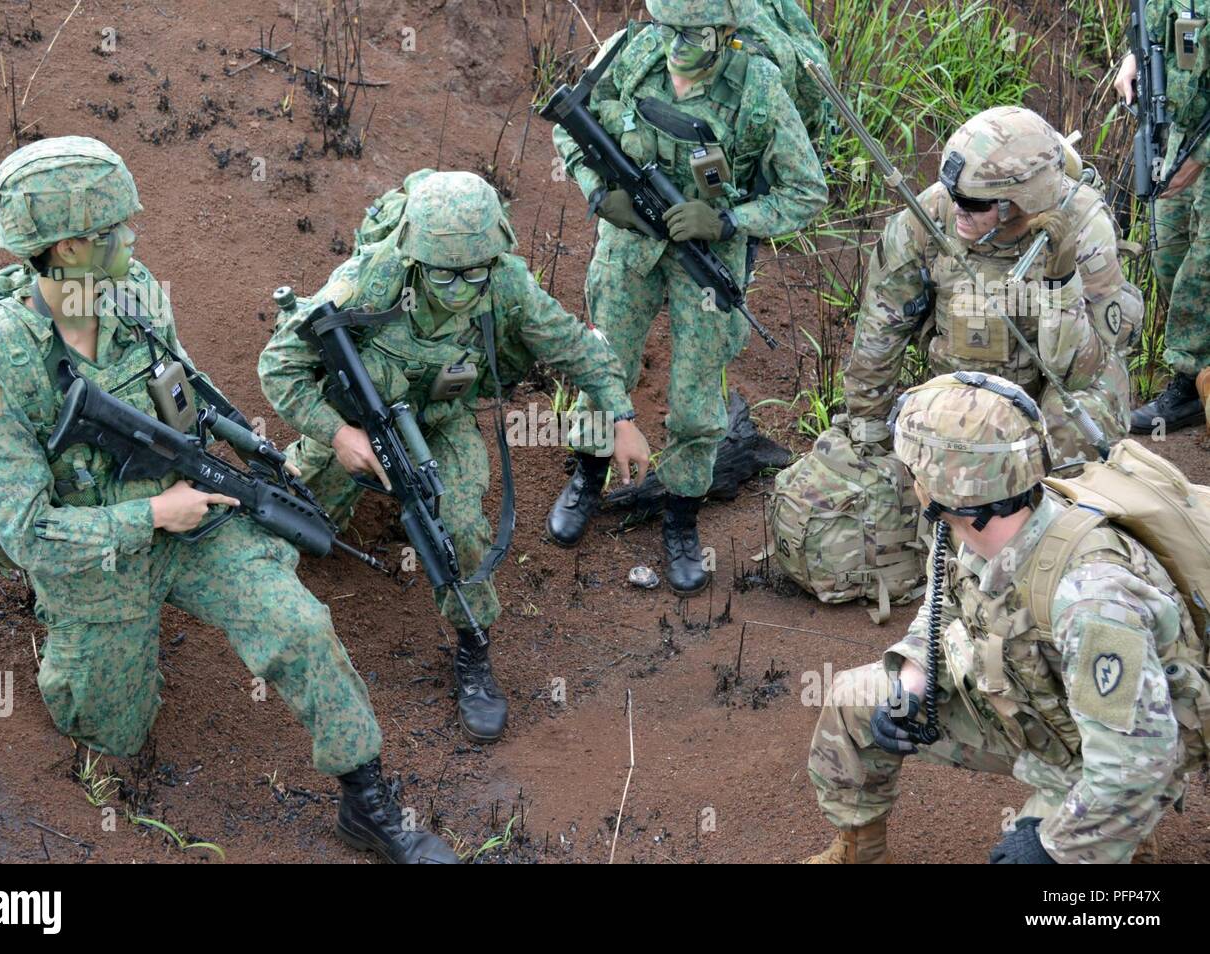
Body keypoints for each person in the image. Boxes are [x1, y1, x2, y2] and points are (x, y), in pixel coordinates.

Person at [0, 136, 457, 864]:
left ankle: (367, 798)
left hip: (193, 508)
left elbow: (184, 383)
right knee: (109, 733)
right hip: (98, 549)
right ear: (67, 248)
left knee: (299, 623)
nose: (132, 237)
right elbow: (28, 534)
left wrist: (245, 456)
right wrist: (152, 517)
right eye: (114, 229)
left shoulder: (135, 298)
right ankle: (84, 644)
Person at [259, 169, 650, 745]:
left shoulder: (508, 282)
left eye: (476, 271)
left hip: (443, 421)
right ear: (417, 258)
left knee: (461, 528)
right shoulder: (368, 280)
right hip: (360, 421)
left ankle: (473, 645)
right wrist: (339, 435)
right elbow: (279, 366)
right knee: (301, 522)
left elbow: (576, 348)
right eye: (446, 273)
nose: (464, 286)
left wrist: (620, 417)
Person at [804, 372, 1206, 863]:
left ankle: (1121, 840)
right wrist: (913, 678)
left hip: (1107, 752)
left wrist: (1050, 849)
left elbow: (1138, 765)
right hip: (1032, 706)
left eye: (916, 469)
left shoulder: (1094, 598)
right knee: (855, 702)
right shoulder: (970, 524)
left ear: (945, 486)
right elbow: (944, 606)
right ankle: (859, 853)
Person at [545, 0, 827, 594]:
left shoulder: (759, 87)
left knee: (698, 391)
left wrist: (726, 222)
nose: (675, 45)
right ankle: (589, 472)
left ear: (726, 33)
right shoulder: (631, 50)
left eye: (692, 34)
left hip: (707, 255)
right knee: (604, 359)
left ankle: (680, 514)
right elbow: (569, 128)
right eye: (668, 28)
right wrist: (601, 194)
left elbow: (807, 192)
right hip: (628, 244)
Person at [842, 106, 1140, 465]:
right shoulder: (929, 217)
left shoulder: (1086, 228)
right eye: (955, 195)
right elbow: (881, 329)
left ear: (1023, 200)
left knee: (1075, 430)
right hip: (965, 387)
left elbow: (1079, 373)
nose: (958, 210)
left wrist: (1060, 281)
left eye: (973, 203)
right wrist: (868, 432)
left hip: (1059, 387)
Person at [1116, 2, 1210, 433]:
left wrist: (1201, 157)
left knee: (1202, 268)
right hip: (1181, 131)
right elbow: (1158, 21)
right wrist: (1135, 56)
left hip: (1203, 143)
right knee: (1169, 253)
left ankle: (1191, 384)